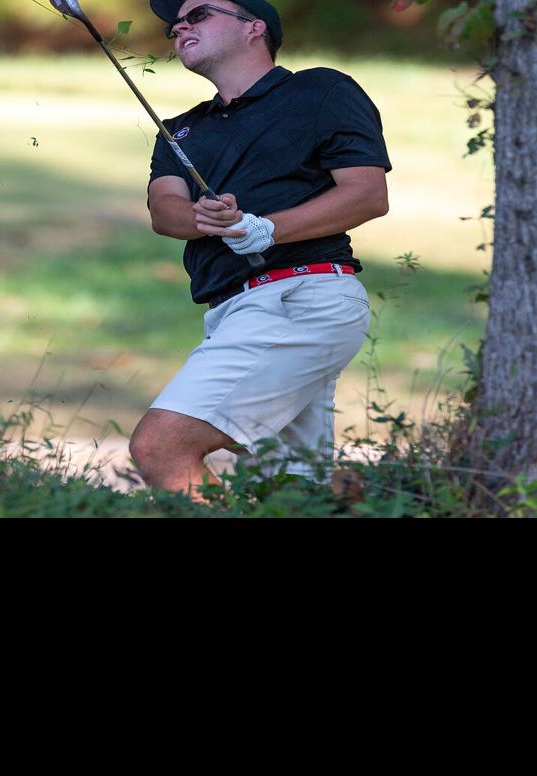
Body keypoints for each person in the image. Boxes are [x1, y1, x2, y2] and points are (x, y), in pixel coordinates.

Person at [129, 0, 392, 498]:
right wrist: (204, 218)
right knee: (297, 490)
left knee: (161, 445)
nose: (180, 24)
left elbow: (366, 193)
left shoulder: (321, 90)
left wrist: (266, 229)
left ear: (255, 27)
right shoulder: (179, 130)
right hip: (233, 310)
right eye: (174, 24)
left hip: (301, 299)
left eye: (200, 13)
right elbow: (165, 210)